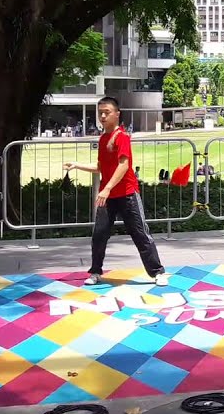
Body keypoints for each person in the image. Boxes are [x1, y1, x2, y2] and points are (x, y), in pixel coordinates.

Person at [64, 96, 169, 287]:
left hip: (128, 194)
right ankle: (95, 272)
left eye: (107, 112)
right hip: (108, 197)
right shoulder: (103, 138)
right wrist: (76, 165)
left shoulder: (122, 137)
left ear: (117, 114)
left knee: (140, 234)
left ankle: (157, 272)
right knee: (99, 235)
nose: (103, 116)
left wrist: (107, 188)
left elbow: (123, 165)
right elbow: (100, 166)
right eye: (100, 113)